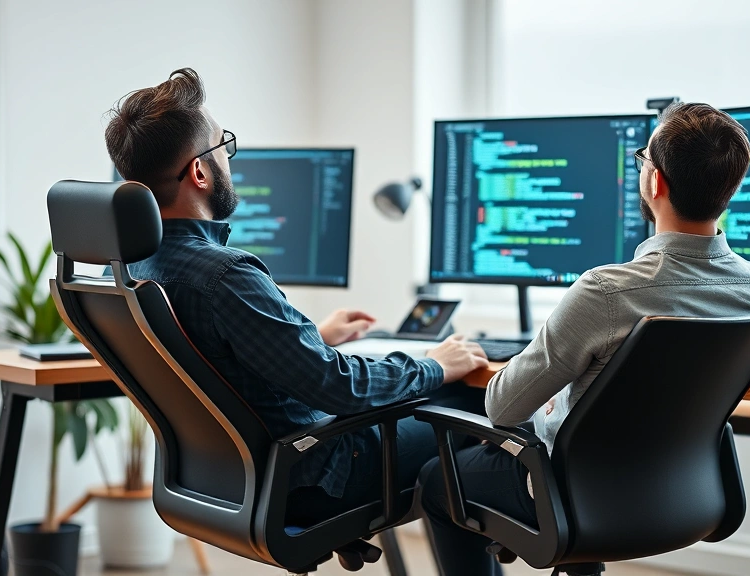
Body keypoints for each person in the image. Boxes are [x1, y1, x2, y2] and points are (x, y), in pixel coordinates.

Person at [103, 68, 488, 526]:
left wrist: (309, 338)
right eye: (223, 146)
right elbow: (342, 386)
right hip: (319, 476)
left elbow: (215, 367)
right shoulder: (225, 275)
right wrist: (435, 364)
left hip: (234, 482)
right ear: (200, 171)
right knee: (476, 403)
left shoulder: (132, 269)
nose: (230, 158)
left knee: (445, 443)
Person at [418, 102, 750, 575]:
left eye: (642, 159)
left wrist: (550, 393)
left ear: (654, 182)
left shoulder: (606, 292)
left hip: (572, 494)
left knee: (435, 480)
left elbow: (502, 407)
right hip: (683, 492)